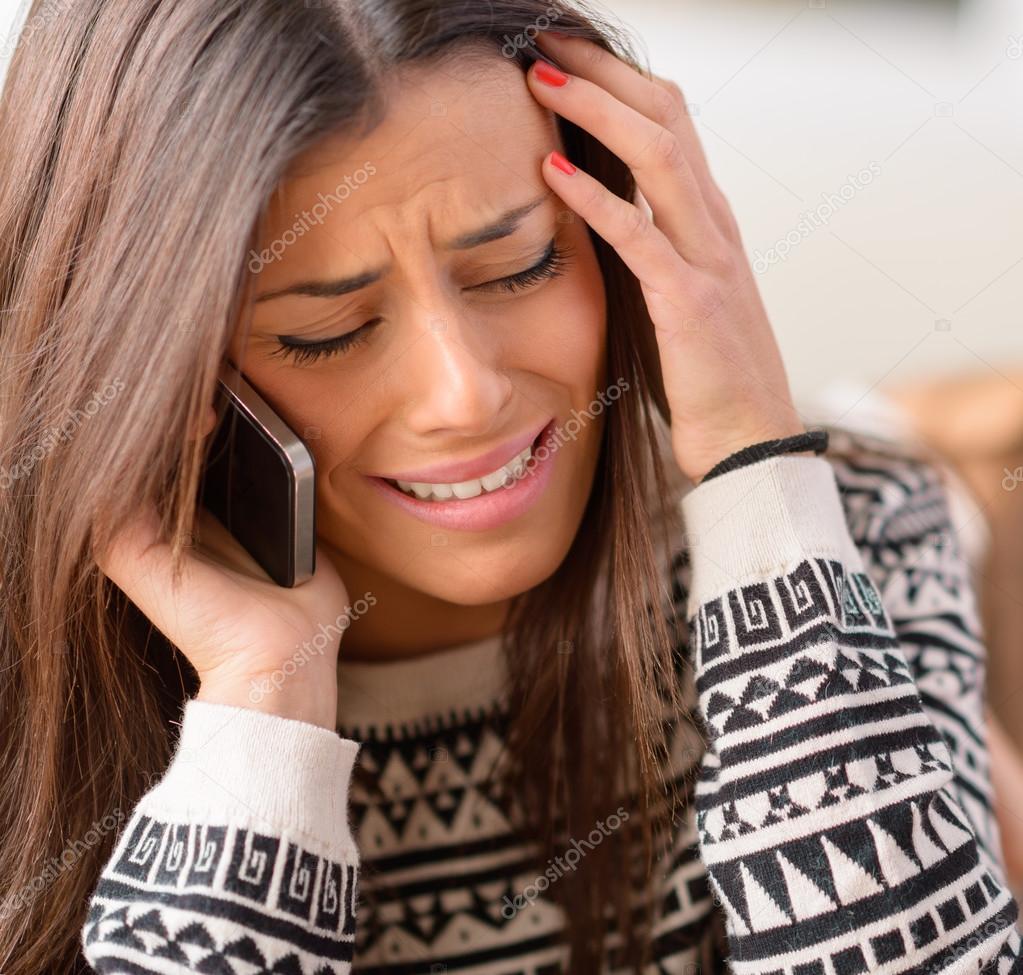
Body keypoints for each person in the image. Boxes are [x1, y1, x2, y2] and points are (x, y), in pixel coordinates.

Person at [0, 2, 1017, 973]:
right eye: (328, 333)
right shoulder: (35, 703)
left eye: (519, 267)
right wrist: (265, 712)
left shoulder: (853, 541)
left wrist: (757, 474)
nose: (465, 395)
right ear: (156, 371)